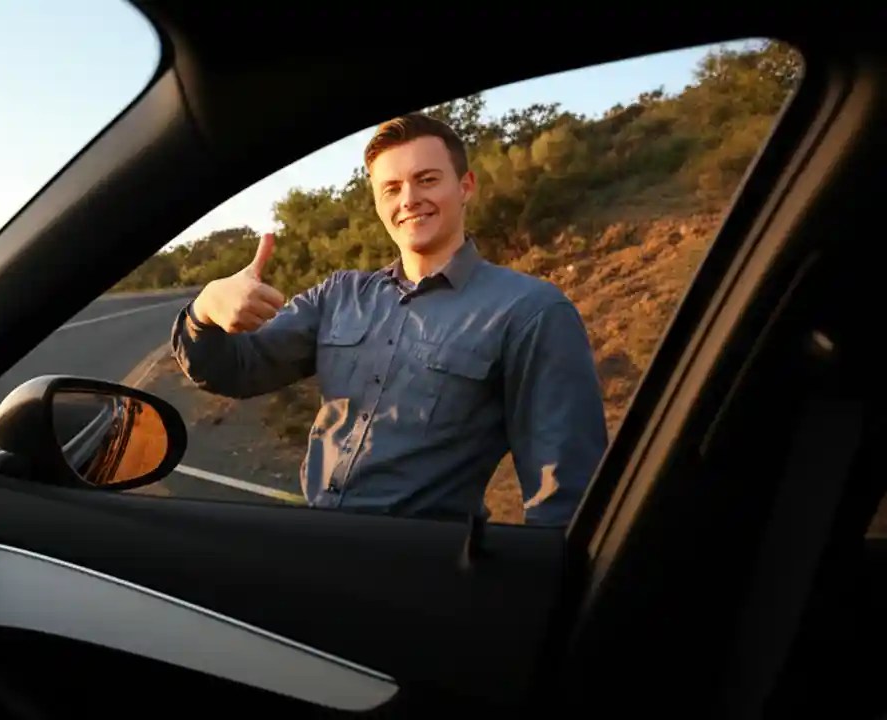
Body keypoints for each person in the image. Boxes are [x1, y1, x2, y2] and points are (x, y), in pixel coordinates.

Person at [169, 112, 607, 525]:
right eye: (392, 188)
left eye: (427, 180)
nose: (410, 199)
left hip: (421, 572)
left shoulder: (531, 311)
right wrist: (205, 310)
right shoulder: (338, 295)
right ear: (378, 203)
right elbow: (236, 371)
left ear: (466, 186)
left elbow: (565, 495)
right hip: (311, 545)